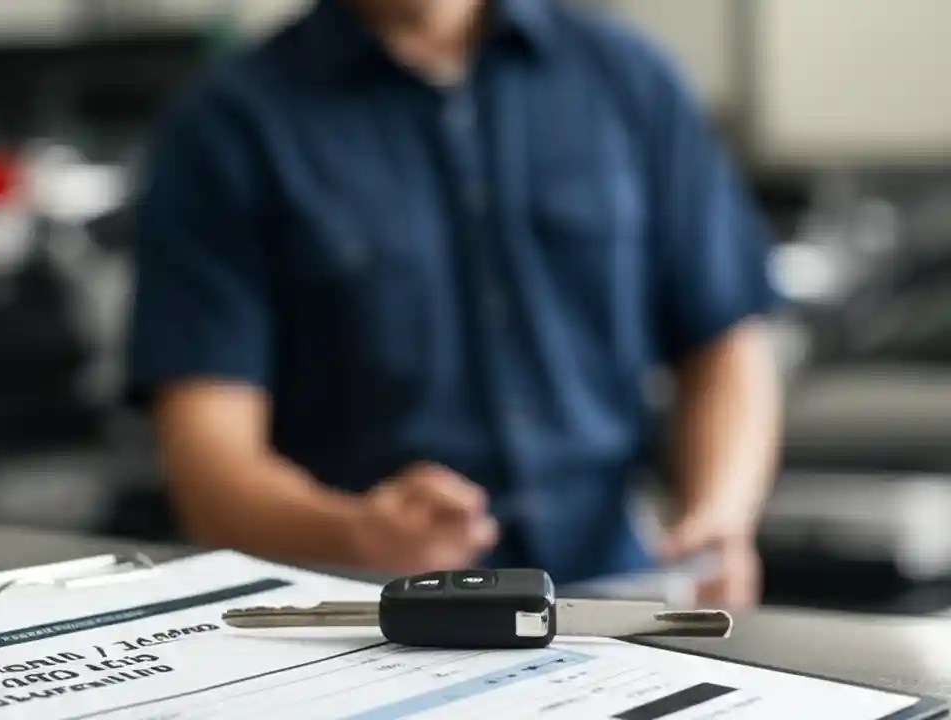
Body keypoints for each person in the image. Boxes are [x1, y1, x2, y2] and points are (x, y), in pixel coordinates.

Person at [129, 0, 782, 608]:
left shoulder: (629, 80)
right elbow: (209, 465)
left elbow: (725, 338)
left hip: (620, 597)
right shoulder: (225, 127)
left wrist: (719, 514)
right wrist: (352, 535)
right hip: (366, 619)